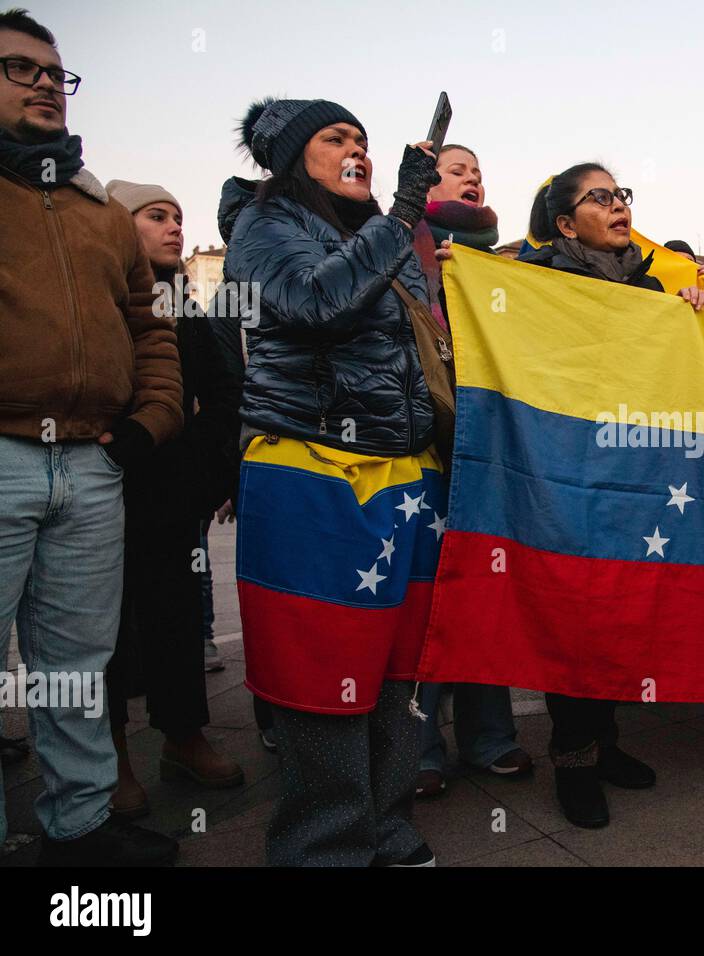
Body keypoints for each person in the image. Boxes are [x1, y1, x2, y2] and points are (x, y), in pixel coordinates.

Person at [222, 96, 446, 865]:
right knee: (324, 673)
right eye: (333, 138)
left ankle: (385, 822)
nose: (357, 149)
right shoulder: (263, 225)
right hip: (312, 468)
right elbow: (314, 302)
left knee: (398, 669)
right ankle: (325, 848)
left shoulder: (379, 236)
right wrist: (405, 211)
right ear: (292, 159)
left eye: (362, 138)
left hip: (405, 473)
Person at [0, 8, 183, 865]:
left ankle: (78, 827)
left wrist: (148, 424)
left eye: (54, 72)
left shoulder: (98, 210)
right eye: (20, 68)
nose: (44, 83)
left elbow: (151, 329)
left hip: (92, 460)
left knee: (78, 662)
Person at [518, 161, 704, 828]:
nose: (618, 206)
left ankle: (607, 745)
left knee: (623, 613)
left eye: (620, 194)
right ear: (567, 223)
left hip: (637, 476)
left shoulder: (652, 285)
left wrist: (690, 318)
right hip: (567, 474)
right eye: (598, 198)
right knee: (575, 616)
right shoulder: (541, 282)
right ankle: (573, 761)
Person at [102, 179, 246, 819]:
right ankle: (110, 759)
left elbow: (223, 394)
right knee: (102, 631)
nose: (173, 228)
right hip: (104, 484)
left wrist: (210, 472)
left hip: (173, 490)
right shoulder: (100, 297)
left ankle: (184, 739)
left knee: (178, 620)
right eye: (155, 216)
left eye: (178, 217)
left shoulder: (193, 310)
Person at [408, 143, 533, 795]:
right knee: (428, 592)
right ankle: (419, 744)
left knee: (484, 588)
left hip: (490, 447)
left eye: (478, 172)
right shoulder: (401, 244)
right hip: (424, 443)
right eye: (458, 170)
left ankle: (490, 738)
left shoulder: (504, 258)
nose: (472, 178)